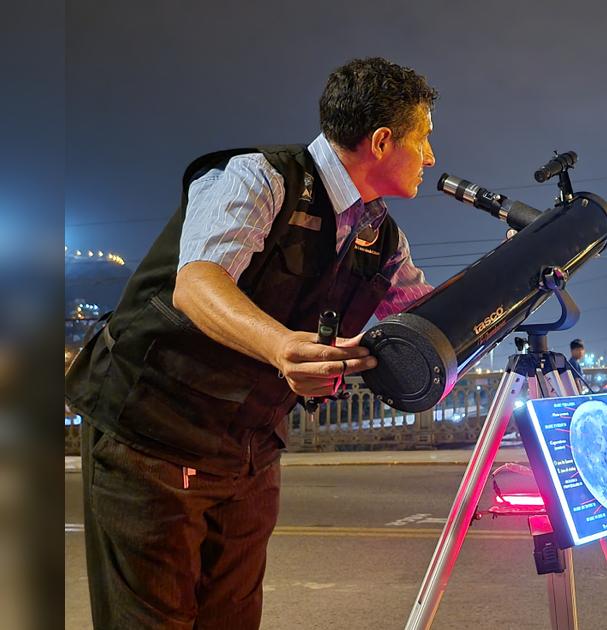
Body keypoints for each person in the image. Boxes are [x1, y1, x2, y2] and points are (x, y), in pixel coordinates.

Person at [64, 57, 437, 629]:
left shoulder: (379, 236)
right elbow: (199, 282)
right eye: (425, 139)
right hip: (151, 436)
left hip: (248, 449)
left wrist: (522, 270)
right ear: (383, 141)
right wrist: (284, 347)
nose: (432, 158)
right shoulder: (258, 178)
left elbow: (431, 316)